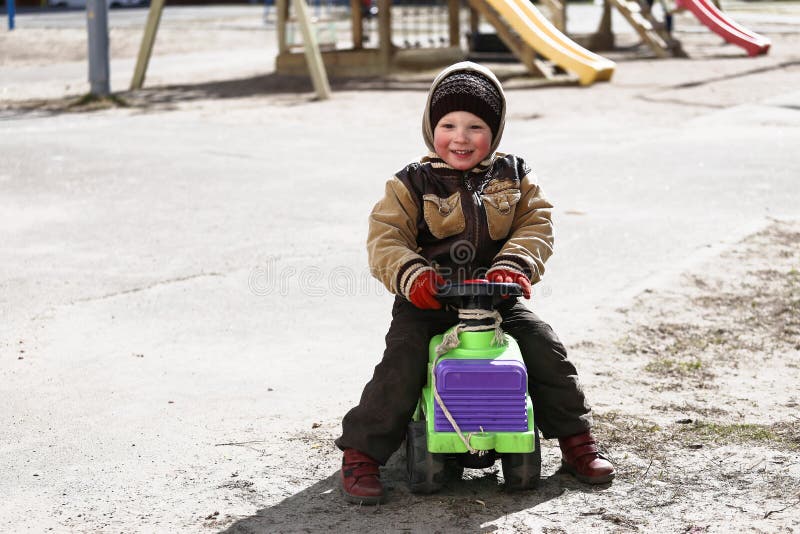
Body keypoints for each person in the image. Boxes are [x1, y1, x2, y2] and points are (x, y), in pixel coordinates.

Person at [335, 62, 614, 505]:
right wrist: (414, 275)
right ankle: (362, 452)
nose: (460, 137)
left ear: (496, 130)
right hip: (429, 300)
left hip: (495, 299)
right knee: (403, 359)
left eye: (475, 126)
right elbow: (386, 238)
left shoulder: (514, 176)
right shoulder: (410, 183)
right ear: (431, 128)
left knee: (543, 345)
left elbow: (535, 225)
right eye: (447, 125)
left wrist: (515, 264)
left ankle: (576, 441)